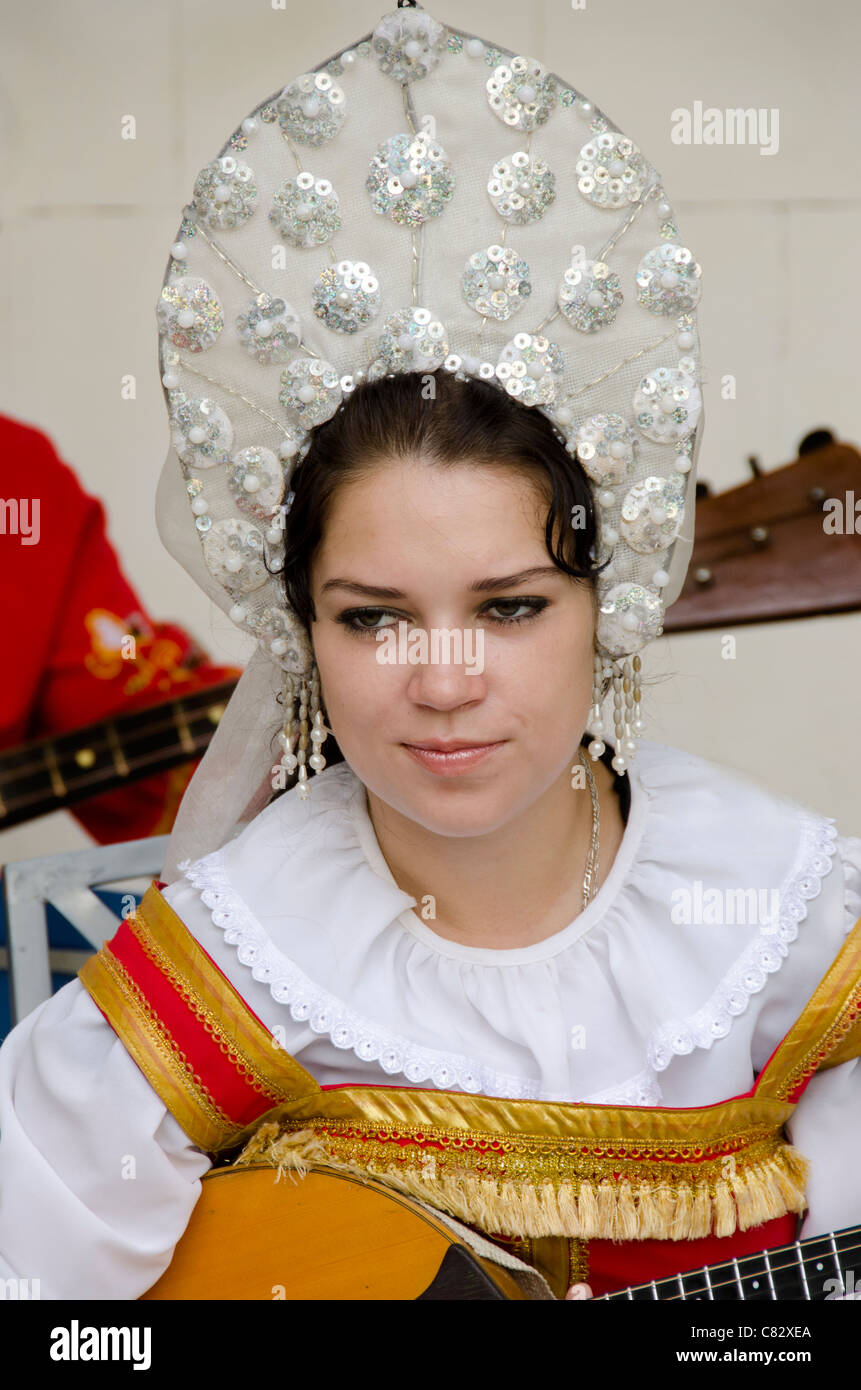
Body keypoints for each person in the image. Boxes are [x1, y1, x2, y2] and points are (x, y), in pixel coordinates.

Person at [1, 4, 859, 1302]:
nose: (443, 676)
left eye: (510, 606)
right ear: (300, 632)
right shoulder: (227, 960)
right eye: (371, 615)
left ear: (605, 609)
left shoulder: (787, 918)